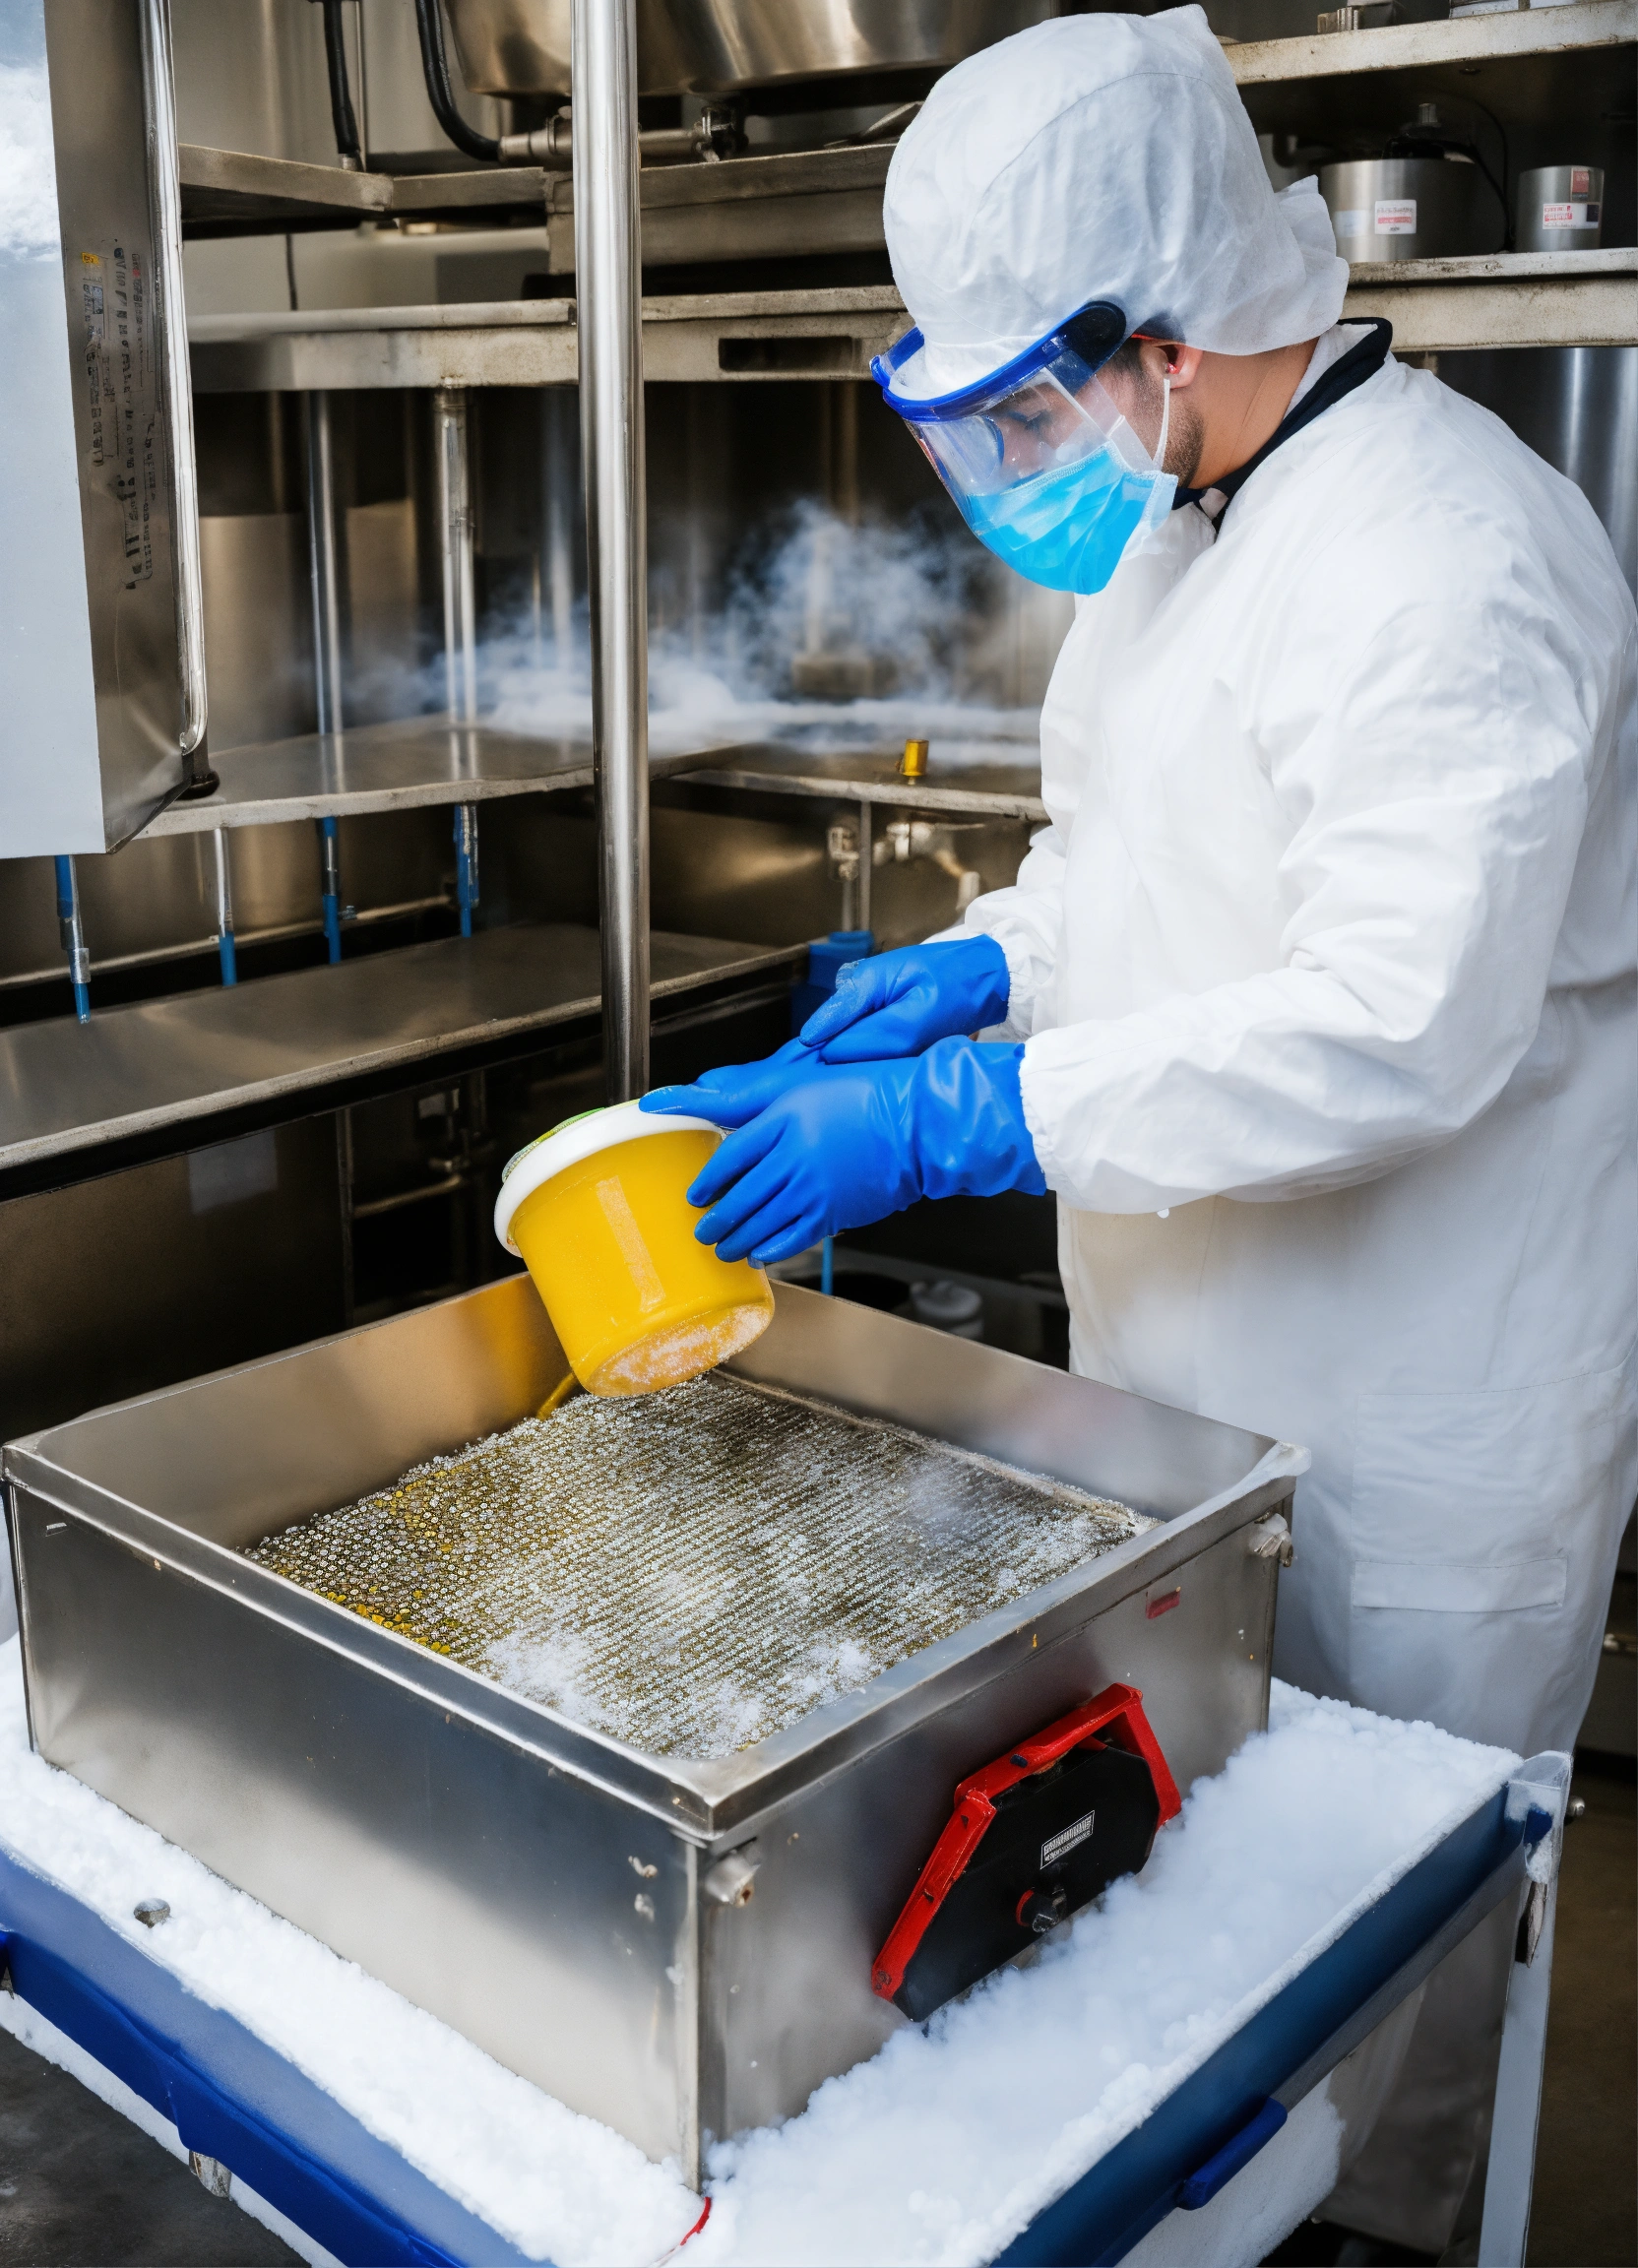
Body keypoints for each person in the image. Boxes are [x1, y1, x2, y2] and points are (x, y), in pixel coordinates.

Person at [645, 10, 1636, 2251]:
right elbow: (1124, 858)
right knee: (1189, 1929)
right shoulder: (1186, 538)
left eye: (1017, 405)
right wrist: (993, 963)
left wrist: (978, 1109)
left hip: (1414, 1412)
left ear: (1164, 337)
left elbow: (1395, 1028)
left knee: (1376, 1946)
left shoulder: (1452, 560)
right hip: (1185, 1387)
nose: (1008, 462)